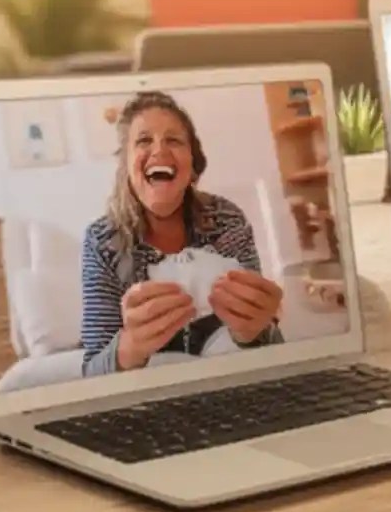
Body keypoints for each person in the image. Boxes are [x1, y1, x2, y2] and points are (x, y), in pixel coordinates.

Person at [80, 91, 284, 376]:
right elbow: (92, 372)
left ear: (192, 165)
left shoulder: (226, 220)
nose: (159, 151)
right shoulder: (101, 241)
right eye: (143, 140)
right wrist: (131, 347)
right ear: (126, 165)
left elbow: (268, 345)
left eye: (174, 140)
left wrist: (257, 330)